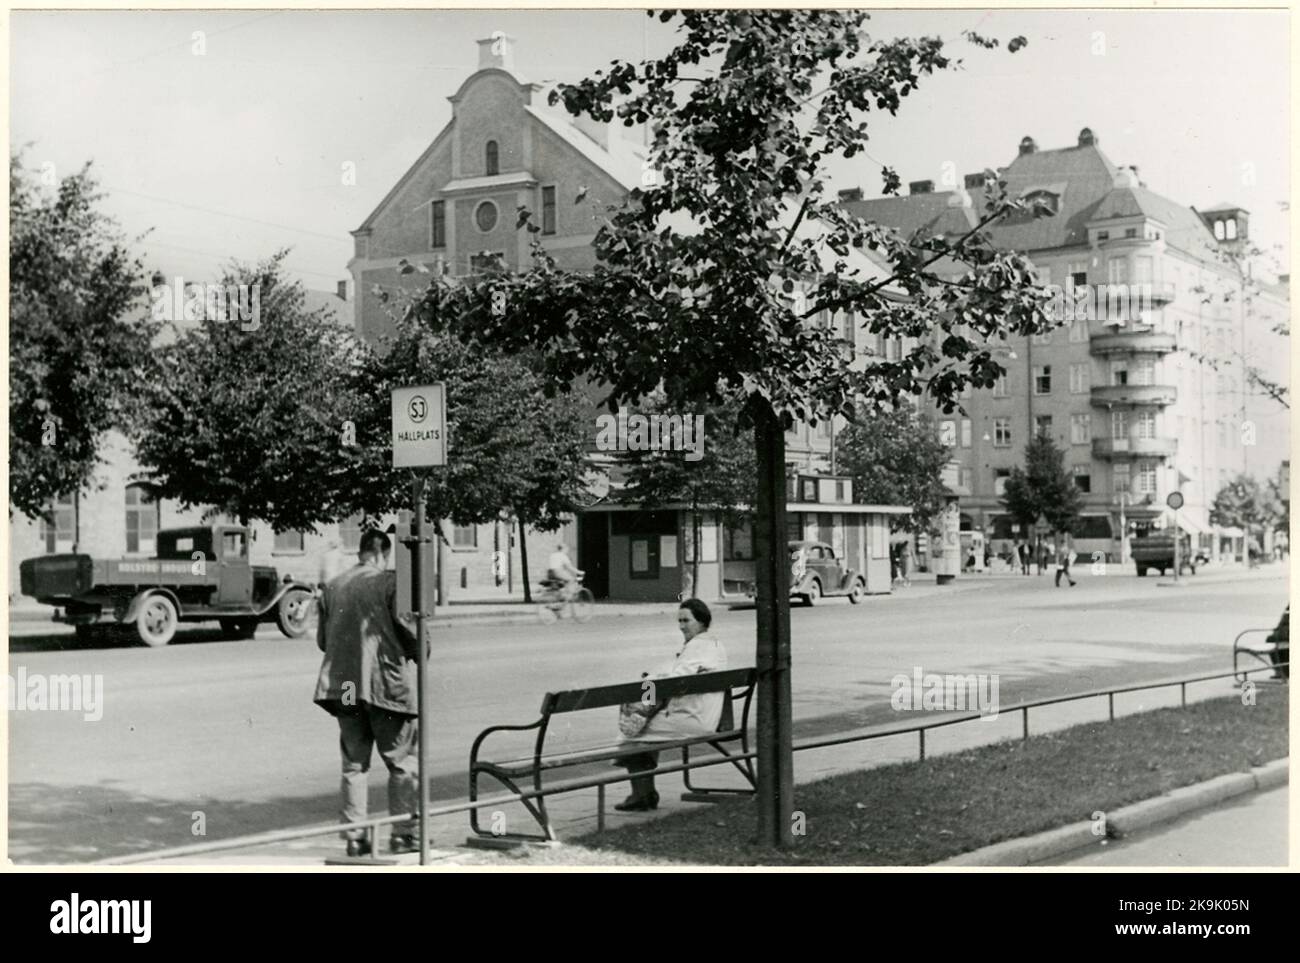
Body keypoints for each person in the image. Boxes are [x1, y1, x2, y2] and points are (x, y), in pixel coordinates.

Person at [313, 530, 421, 857]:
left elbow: (322, 640)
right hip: (383, 685)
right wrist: (420, 650)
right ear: (382, 555)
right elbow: (410, 632)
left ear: (360, 552)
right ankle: (403, 834)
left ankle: (355, 838)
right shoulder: (388, 584)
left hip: (345, 687)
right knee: (401, 760)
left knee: (354, 764)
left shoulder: (333, 586)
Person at [612, 598, 727, 811]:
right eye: (679, 621)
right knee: (645, 731)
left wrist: (650, 682)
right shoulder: (715, 644)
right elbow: (682, 674)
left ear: (701, 621)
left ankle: (641, 795)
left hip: (691, 719)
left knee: (630, 734)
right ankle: (645, 794)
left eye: (686, 621)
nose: (681, 626)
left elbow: (673, 683)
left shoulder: (696, 646)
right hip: (708, 715)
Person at [1266, 606, 1289, 680]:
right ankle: (1279, 670)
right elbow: (1283, 621)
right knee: (1271, 640)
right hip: (1284, 633)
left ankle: (1284, 671)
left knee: (1278, 640)